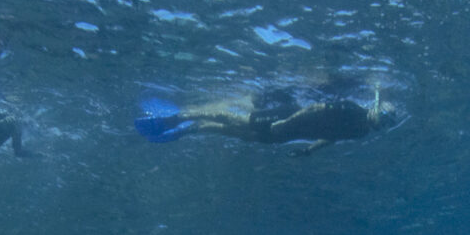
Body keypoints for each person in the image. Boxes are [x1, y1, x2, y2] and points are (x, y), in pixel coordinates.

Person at [135, 84, 388, 154]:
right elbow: (314, 108)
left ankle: (190, 130)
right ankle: (175, 119)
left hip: (289, 133)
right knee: (236, 120)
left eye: (385, 125)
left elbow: (331, 137)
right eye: (383, 119)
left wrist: (310, 150)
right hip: (287, 117)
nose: (380, 125)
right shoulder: (350, 108)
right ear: (377, 110)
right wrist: (287, 123)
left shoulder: (361, 131)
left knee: (240, 134)